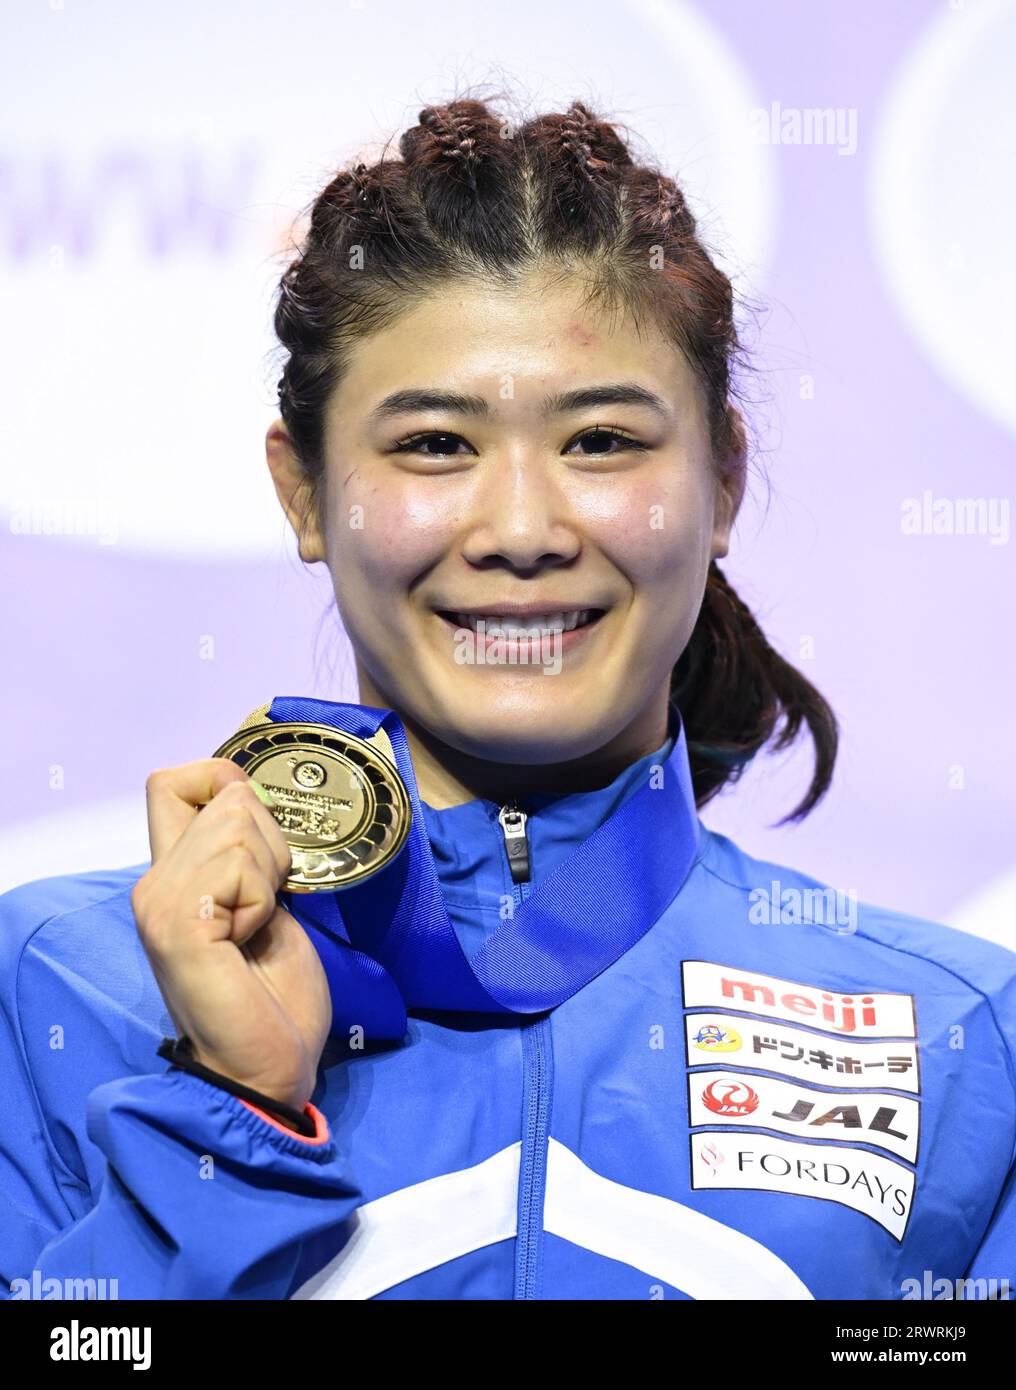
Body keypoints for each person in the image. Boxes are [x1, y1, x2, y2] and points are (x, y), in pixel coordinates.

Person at [2, 96, 1014, 1303]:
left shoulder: (955, 1036)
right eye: (433, 444)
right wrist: (234, 1103)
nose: (522, 531)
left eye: (599, 442)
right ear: (305, 493)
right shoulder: (59, 983)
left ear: (723, 480)